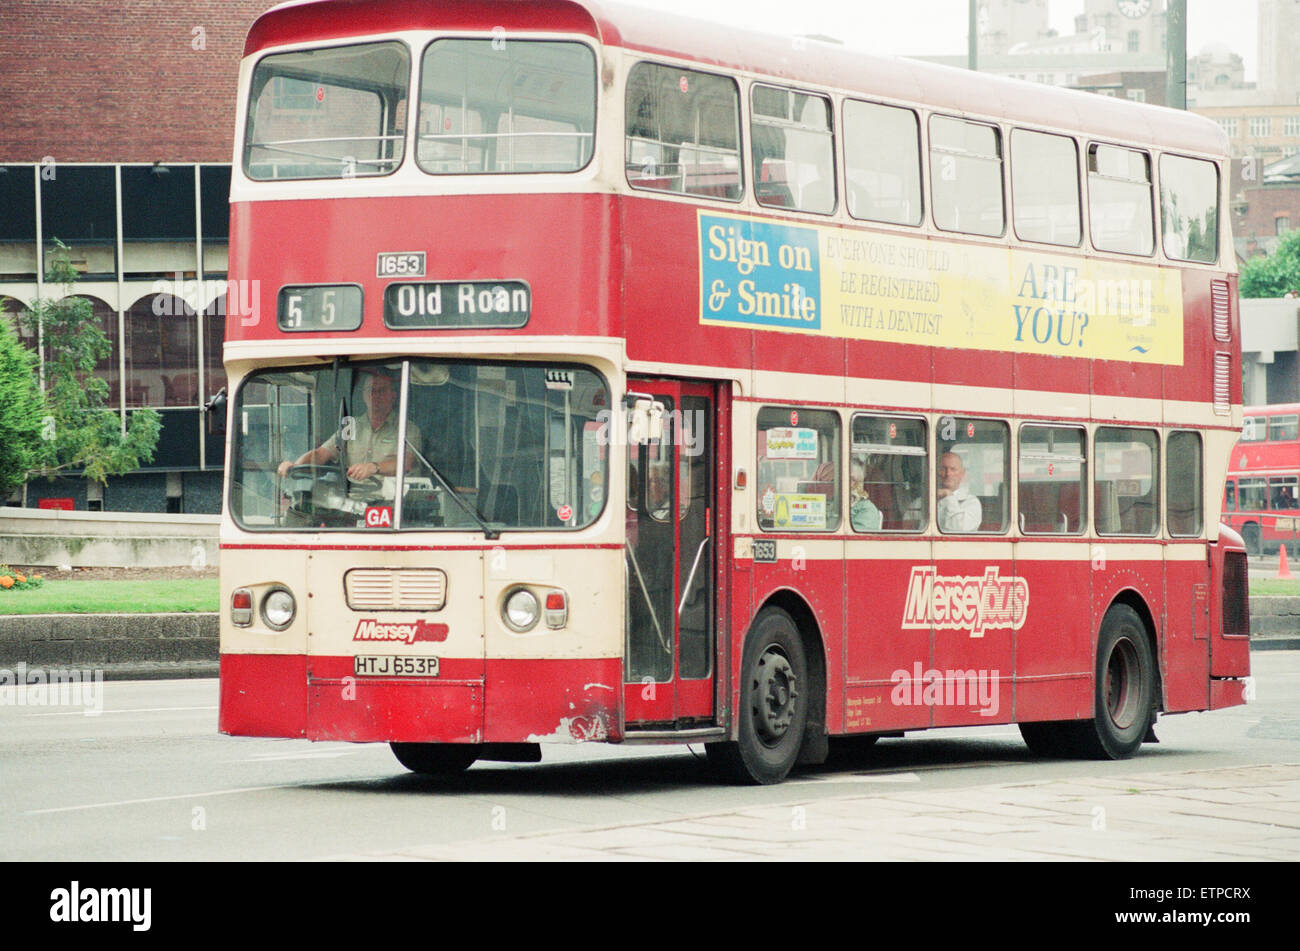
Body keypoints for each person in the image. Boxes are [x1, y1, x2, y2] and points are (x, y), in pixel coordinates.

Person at [277, 370, 421, 497]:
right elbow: (321, 454)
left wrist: (373, 467)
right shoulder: (350, 426)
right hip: (351, 502)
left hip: (392, 503)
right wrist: (295, 465)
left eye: (381, 391)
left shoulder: (406, 428)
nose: (375, 395)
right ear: (364, 395)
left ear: (393, 396)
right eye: (371, 390)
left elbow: (406, 463)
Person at [936, 450, 981, 532]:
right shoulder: (922, 501)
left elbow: (959, 530)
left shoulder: (972, 503)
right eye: (943, 469)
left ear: (962, 473)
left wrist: (948, 496)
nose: (948, 474)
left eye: (953, 469)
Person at [849, 456, 882, 531]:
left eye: (852, 480)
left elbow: (858, 536)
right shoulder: (833, 503)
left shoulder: (867, 508)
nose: (847, 483)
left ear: (859, 483)